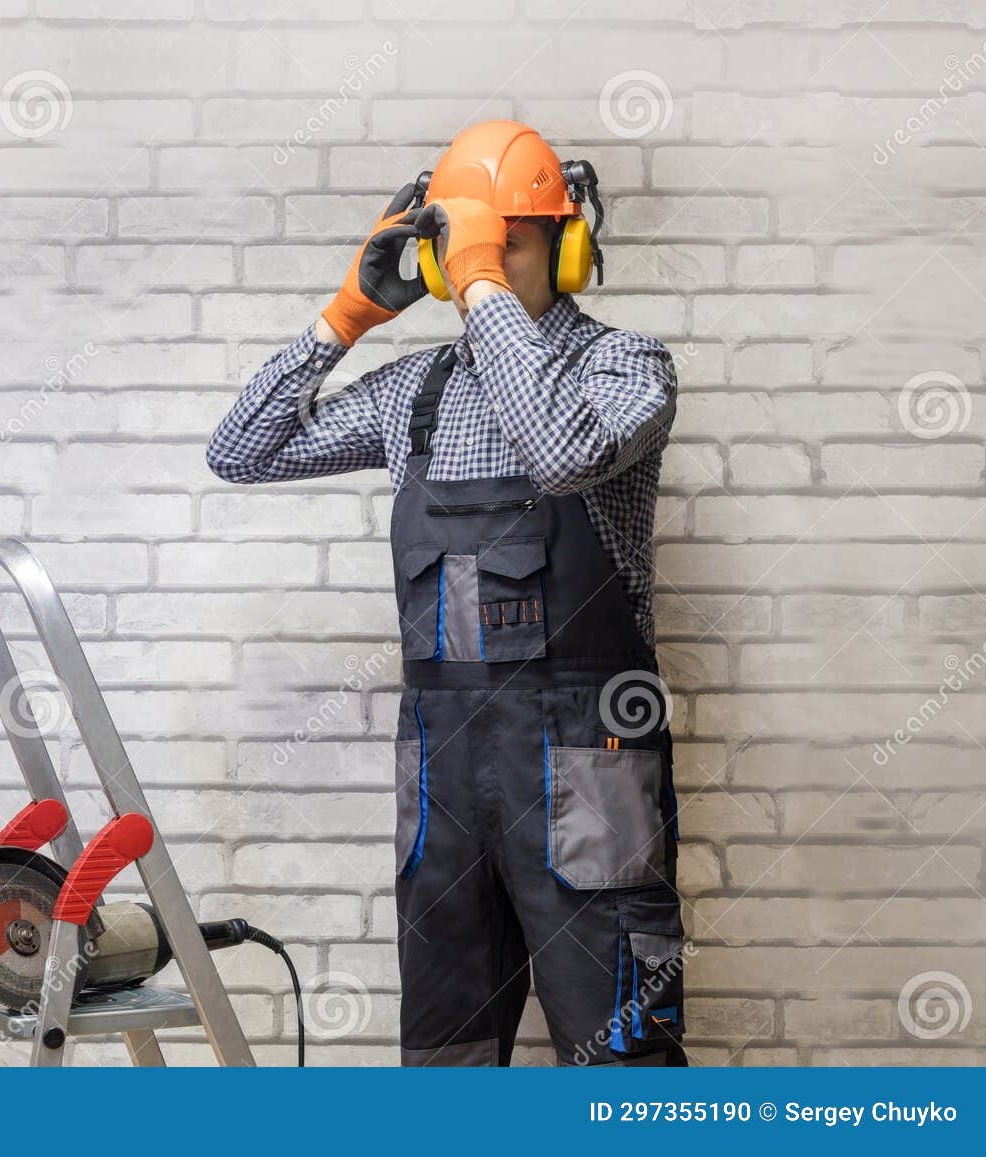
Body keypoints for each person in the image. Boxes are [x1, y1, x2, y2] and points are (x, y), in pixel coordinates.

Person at [207, 120, 685, 1067]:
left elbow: (561, 453)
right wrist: (342, 319)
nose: (489, 258)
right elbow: (239, 452)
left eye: (511, 235)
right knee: (445, 1056)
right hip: (445, 777)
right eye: (471, 240)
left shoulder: (627, 368)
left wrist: (480, 288)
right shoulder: (416, 391)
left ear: (568, 241)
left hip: (587, 766)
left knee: (621, 1052)